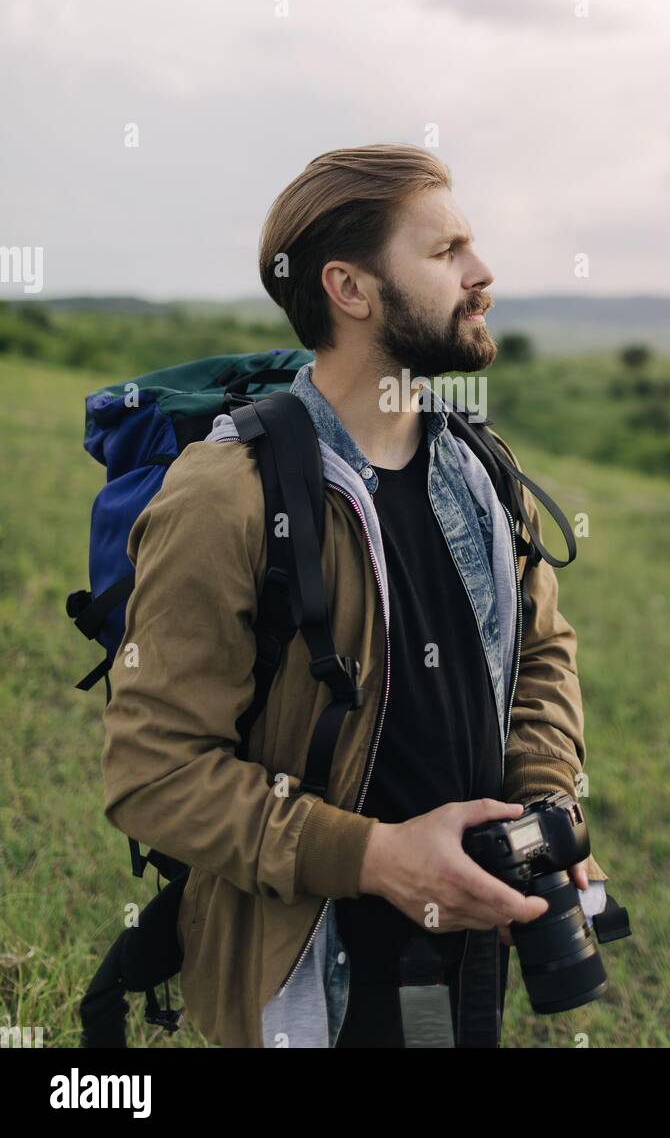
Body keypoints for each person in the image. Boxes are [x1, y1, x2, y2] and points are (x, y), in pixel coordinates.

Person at [101, 143, 609, 1049]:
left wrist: (539, 806)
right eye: (446, 251)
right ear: (350, 288)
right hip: (304, 972)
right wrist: (376, 859)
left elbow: (540, 657)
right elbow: (154, 773)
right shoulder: (227, 495)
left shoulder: (483, 471)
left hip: (468, 951)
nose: (482, 273)